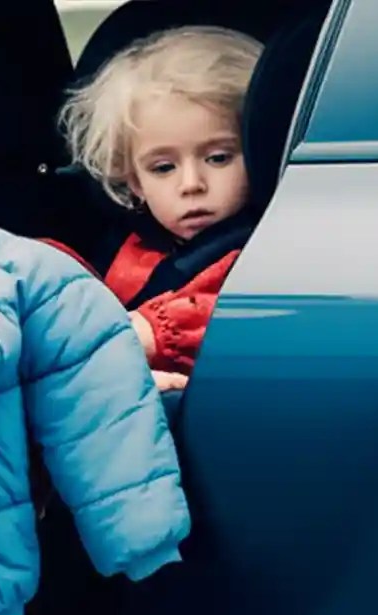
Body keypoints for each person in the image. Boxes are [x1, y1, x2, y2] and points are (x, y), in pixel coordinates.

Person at [45, 25, 264, 391]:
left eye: (218, 157)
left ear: (259, 152)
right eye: (164, 168)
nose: (191, 184)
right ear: (134, 181)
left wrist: (149, 335)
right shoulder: (130, 250)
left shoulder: (263, 250)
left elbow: (233, 320)